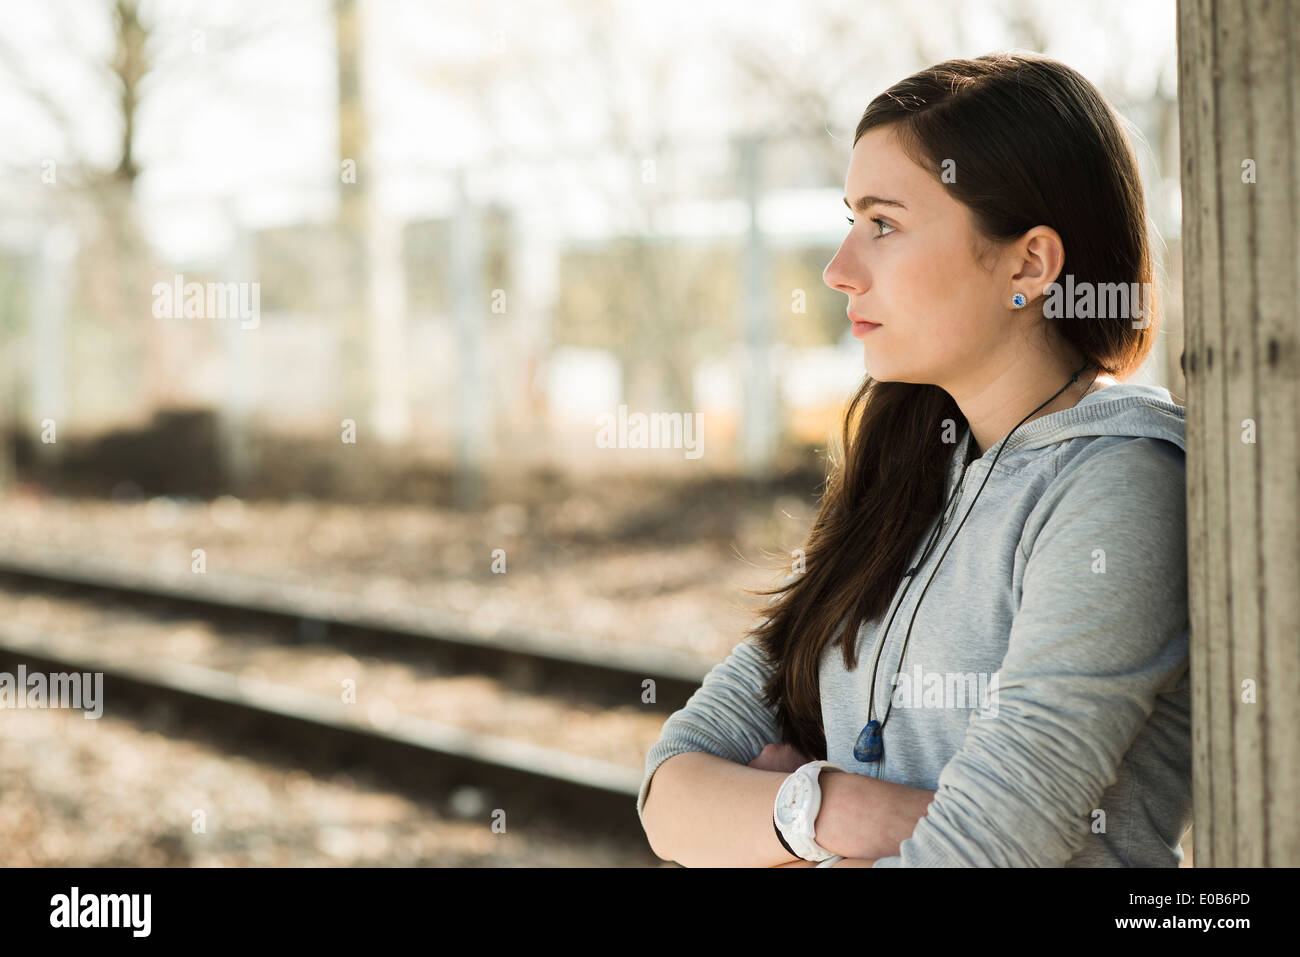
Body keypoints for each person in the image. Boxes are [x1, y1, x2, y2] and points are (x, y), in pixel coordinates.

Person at [638, 52, 1191, 867]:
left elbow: (982, 852)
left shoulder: (1117, 484)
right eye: (849, 220)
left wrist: (766, 829)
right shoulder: (911, 468)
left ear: (1028, 264)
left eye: (883, 224)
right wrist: (833, 806)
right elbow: (668, 791)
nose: (839, 269)